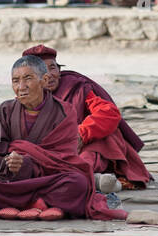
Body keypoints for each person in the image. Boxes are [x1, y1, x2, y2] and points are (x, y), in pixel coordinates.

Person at [0, 56, 126, 220]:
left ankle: (0, 202)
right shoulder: (4, 111)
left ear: (44, 80)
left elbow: (64, 158)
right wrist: (10, 164)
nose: (21, 87)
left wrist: (27, 165)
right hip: (4, 181)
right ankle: (35, 203)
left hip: (43, 181)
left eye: (28, 78)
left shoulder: (64, 113)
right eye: (15, 81)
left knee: (77, 185)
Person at [22, 44, 151, 188]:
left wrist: (81, 133)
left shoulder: (76, 87)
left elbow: (108, 112)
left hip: (82, 146)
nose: (49, 75)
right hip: (53, 151)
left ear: (59, 70)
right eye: (41, 71)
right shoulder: (26, 96)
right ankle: (87, 179)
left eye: (53, 68)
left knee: (107, 138)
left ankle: (81, 176)